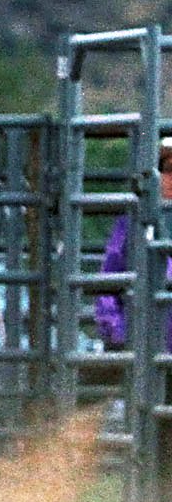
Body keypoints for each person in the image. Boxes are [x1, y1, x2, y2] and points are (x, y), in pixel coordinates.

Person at [95, 141, 172, 354]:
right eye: (169, 170)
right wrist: (118, 331)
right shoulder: (133, 223)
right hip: (145, 347)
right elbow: (109, 280)